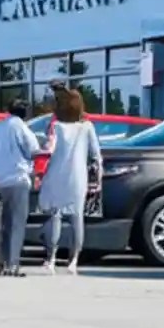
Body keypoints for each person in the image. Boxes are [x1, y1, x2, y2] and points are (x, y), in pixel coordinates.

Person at [37, 81, 101, 275]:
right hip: (78, 176)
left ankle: (51, 258)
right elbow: (96, 155)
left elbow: (50, 149)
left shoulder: (57, 128)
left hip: (57, 174)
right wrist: (97, 179)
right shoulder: (87, 127)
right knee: (77, 218)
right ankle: (73, 261)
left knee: (55, 215)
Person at [0, 99, 40, 277]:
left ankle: (0, 263)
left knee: (5, 223)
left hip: (1, 179)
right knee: (17, 223)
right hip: (18, 177)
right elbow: (33, 149)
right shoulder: (20, 127)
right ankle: (13, 264)